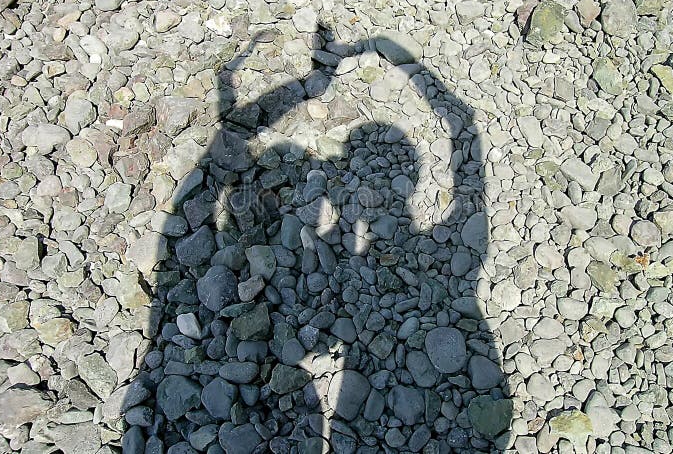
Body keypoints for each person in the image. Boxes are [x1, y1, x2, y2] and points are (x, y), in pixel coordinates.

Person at [122, 27, 511, 453]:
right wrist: (403, 61)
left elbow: (218, 160)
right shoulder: (452, 252)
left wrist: (315, 83)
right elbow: (465, 135)